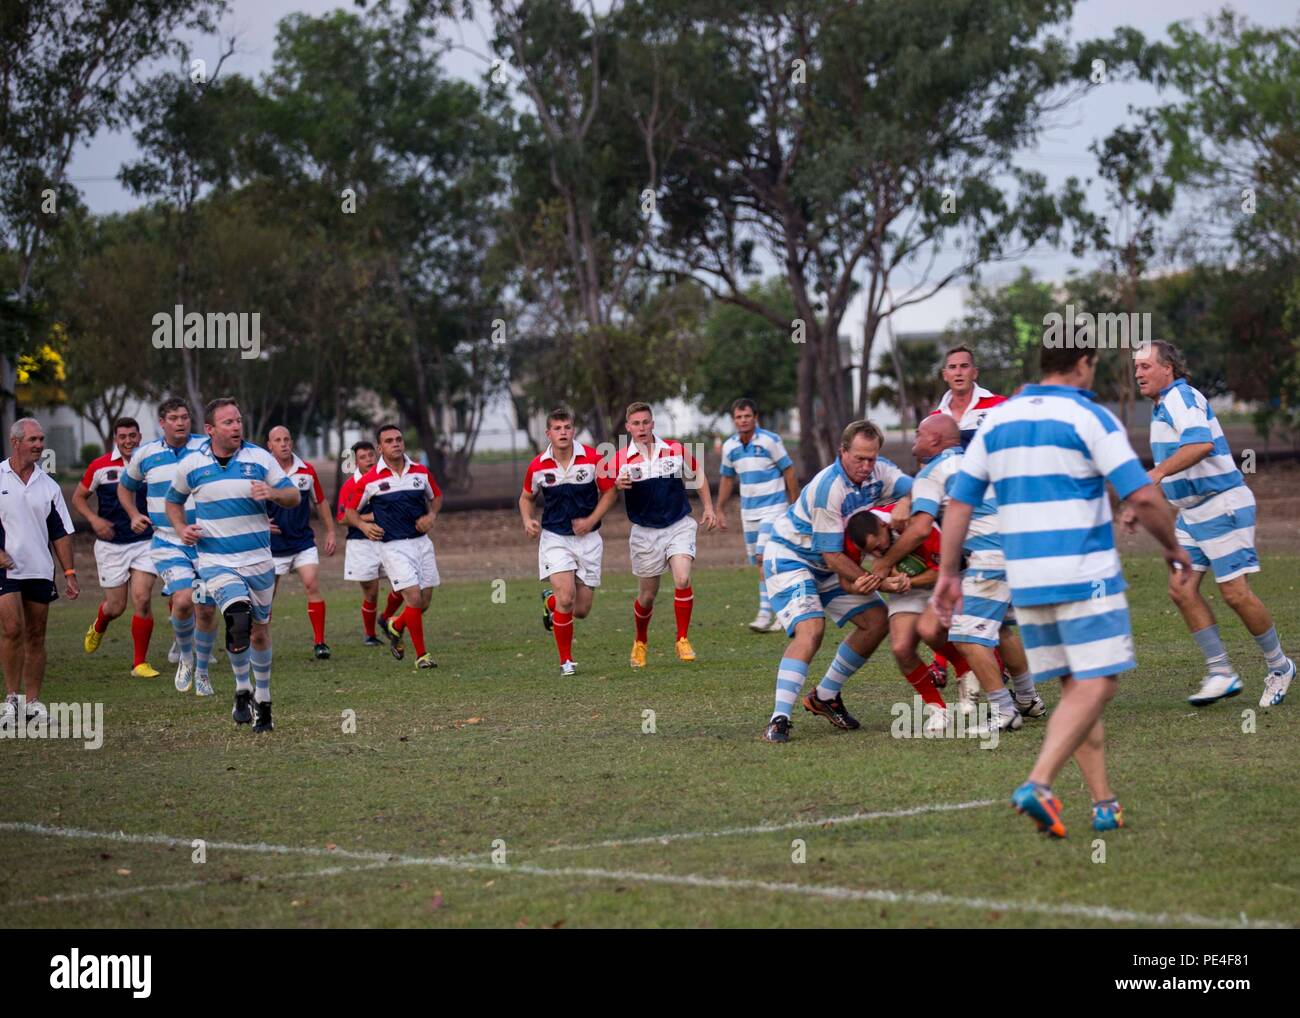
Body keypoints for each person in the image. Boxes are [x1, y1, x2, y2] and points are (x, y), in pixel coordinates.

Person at [932, 344, 1193, 837]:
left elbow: (960, 501)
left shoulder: (998, 421)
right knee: (1101, 681)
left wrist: (948, 573)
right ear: (1083, 365)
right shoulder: (1088, 416)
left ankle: (1104, 802)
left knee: (1078, 690)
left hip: (1026, 580)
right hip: (1083, 574)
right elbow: (1140, 494)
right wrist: (1174, 547)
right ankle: (1039, 781)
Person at [1128, 340, 1293, 707]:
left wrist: (1154, 473)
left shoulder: (1179, 398)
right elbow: (1172, 473)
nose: (1138, 373)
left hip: (1223, 505)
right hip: (1193, 514)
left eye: (1145, 366)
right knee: (1181, 589)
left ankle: (1279, 666)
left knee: (1234, 592)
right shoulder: (1160, 408)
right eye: (1136, 367)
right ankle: (1221, 672)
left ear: (1167, 368)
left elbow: (1200, 444)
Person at [874, 413, 1042, 732]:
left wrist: (885, 562)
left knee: (966, 636)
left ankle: (1004, 711)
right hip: (1016, 550)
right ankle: (1028, 698)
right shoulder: (977, 461)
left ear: (935, 440)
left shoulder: (932, 471)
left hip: (988, 555)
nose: (915, 442)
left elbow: (922, 529)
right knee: (1001, 630)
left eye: (920, 435)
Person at [760, 420, 913, 743]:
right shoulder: (829, 487)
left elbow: (919, 487)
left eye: (872, 458)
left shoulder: (880, 471)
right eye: (859, 458)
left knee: (877, 621)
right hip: (792, 557)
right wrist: (882, 582)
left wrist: (908, 501)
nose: (866, 466)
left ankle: (825, 696)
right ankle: (779, 718)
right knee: (812, 628)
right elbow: (832, 557)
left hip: (828, 564)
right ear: (841, 452)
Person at [165, 398, 299, 732]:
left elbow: (293, 496)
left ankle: (261, 701)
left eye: (238, 421)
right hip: (216, 561)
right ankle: (242, 687)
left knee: (259, 632)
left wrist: (272, 492)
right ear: (210, 429)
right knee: (237, 619)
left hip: (258, 561)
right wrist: (181, 528)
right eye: (228, 422)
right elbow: (173, 501)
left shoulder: (259, 458)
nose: (236, 427)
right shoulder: (193, 464)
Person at [596, 402, 718, 667]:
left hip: (678, 525)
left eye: (646, 422)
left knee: (683, 578)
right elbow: (605, 489)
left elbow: (697, 475)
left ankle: (682, 639)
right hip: (645, 533)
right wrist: (617, 485)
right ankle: (640, 641)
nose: (642, 428)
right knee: (647, 597)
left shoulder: (674, 450)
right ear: (628, 427)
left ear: (653, 424)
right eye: (636, 424)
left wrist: (708, 507)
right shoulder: (619, 459)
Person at [118, 399, 218, 696]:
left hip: (207, 545)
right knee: (184, 600)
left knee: (207, 609)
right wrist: (134, 514)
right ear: (162, 422)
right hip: (168, 543)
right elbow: (125, 487)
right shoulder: (145, 454)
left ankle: (201, 671)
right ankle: (186, 657)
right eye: (173, 418)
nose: (180, 423)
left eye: (185, 417)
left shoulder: (206, 448)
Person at [520, 407, 616, 675]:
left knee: (581, 609)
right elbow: (526, 497)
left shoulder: (594, 458)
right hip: (555, 538)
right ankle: (566, 661)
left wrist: (590, 519)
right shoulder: (538, 465)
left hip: (589, 540)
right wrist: (528, 520)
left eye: (567, 427)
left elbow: (610, 493)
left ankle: (549, 602)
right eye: (557, 428)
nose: (563, 432)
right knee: (567, 596)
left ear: (573, 430)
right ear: (548, 433)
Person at [0, 418, 79, 727]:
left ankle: (33, 703)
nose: (39, 445)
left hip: (40, 570)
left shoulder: (49, 485)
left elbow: (60, 532)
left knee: (36, 635)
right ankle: (11, 700)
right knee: (11, 629)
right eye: (33, 439)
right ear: (15, 442)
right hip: (6, 571)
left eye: (42, 439)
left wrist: (69, 572)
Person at [844, 508, 951, 733]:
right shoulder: (855, 534)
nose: (878, 551)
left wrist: (906, 580)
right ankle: (938, 710)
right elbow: (845, 579)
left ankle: (1019, 695)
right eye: (870, 551)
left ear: (885, 527)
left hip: (946, 581)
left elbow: (943, 571)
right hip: (906, 588)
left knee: (956, 636)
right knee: (902, 648)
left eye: (878, 545)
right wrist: (862, 585)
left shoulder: (914, 523)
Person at [346, 425, 442, 670]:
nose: (396, 444)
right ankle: (422, 655)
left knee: (425, 602)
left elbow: (437, 497)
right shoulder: (369, 480)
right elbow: (349, 511)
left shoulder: (420, 472)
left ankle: (396, 625)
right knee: (413, 596)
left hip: (421, 543)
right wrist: (364, 527)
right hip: (392, 546)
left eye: (399, 439)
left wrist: (431, 516)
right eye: (389, 441)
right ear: (380, 448)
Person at [72, 417, 159, 677]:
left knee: (142, 599)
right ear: (115, 439)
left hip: (145, 542)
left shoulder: (150, 466)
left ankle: (139, 663)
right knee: (116, 607)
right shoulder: (99, 466)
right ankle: (100, 623)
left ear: (139, 436)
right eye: (123, 436)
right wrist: (94, 519)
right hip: (111, 546)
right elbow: (78, 498)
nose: (128, 440)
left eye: (133, 435)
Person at [715, 398, 799, 632]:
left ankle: (768, 612)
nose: (743, 421)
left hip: (774, 508)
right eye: (739, 417)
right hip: (748, 512)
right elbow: (727, 478)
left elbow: (789, 470)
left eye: (747, 416)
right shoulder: (730, 447)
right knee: (760, 563)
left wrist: (794, 505)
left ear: (755, 417)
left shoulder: (770, 441)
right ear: (734, 420)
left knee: (764, 557)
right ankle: (780, 610)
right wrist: (719, 508)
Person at [266, 426, 337, 659]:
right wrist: (261, 523)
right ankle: (260, 643)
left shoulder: (306, 470)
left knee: (311, 584)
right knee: (266, 597)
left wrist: (330, 531)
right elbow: (248, 502)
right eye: (278, 440)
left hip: (302, 542)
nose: (284, 443)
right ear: (270, 445)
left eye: (287, 439)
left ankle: (320, 642)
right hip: (272, 546)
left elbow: (321, 502)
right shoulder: (262, 470)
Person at [336, 440, 396, 647]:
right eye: (363, 457)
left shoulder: (387, 478)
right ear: (356, 462)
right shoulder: (350, 486)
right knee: (371, 592)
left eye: (371, 455)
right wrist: (367, 518)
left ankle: (386, 617)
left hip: (389, 540)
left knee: (403, 583)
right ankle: (370, 635)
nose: (369, 459)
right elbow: (341, 518)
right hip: (361, 544)